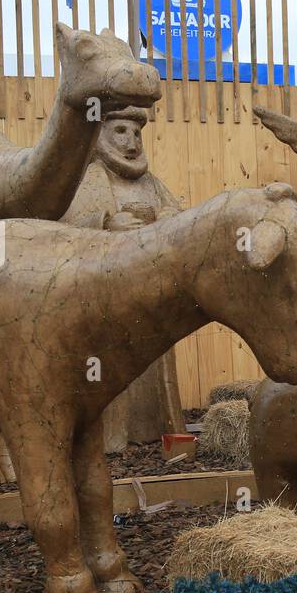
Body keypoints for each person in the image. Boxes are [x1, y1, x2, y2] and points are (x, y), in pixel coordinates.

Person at [62, 106, 185, 451]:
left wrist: (167, 217)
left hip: (152, 295)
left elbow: (182, 219)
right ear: (100, 134)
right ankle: (112, 440)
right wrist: (104, 222)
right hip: (109, 298)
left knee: (152, 368)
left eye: (136, 133)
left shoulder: (152, 183)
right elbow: (62, 231)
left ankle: (156, 432)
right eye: (120, 131)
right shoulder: (90, 177)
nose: (131, 142)